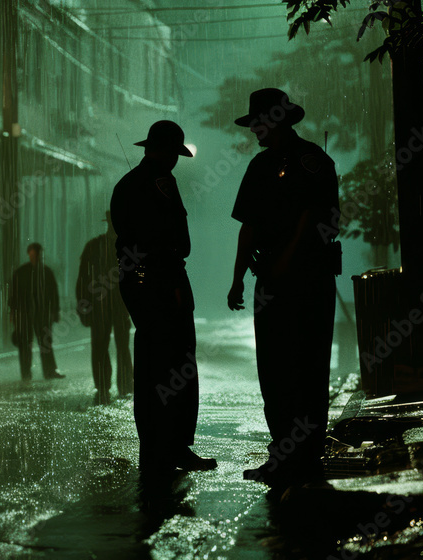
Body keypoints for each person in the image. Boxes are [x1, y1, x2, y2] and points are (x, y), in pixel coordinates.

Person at [226, 88, 340, 488]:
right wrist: (240, 276)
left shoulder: (309, 163)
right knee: (277, 372)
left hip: (303, 281)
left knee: (302, 370)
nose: (255, 128)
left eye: (260, 120)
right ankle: (289, 454)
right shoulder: (264, 165)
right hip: (275, 281)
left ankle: (303, 456)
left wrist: (285, 260)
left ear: (278, 120)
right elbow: (249, 226)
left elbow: (315, 220)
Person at [110, 120, 216, 474]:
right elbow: (169, 241)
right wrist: (171, 282)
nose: (175, 161)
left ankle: (154, 448)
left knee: (152, 365)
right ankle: (173, 446)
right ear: (167, 152)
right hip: (162, 280)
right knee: (178, 364)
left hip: (137, 279)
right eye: (175, 154)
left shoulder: (126, 184)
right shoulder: (161, 183)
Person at [76, 211, 133, 404]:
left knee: (107, 346)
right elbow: (83, 278)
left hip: (108, 306)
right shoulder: (127, 247)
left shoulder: (95, 247)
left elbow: (83, 279)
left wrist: (83, 305)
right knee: (116, 346)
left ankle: (106, 387)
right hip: (115, 305)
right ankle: (118, 386)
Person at [9, 242, 65, 381]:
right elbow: (14, 294)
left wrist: (55, 311)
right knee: (27, 345)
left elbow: (53, 294)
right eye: (33, 254)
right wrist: (13, 312)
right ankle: (29, 373)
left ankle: (47, 371)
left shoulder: (42, 272)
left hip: (39, 314)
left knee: (43, 343)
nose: (34, 257)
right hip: (27, 314)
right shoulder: (27, 272)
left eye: (36, 254)